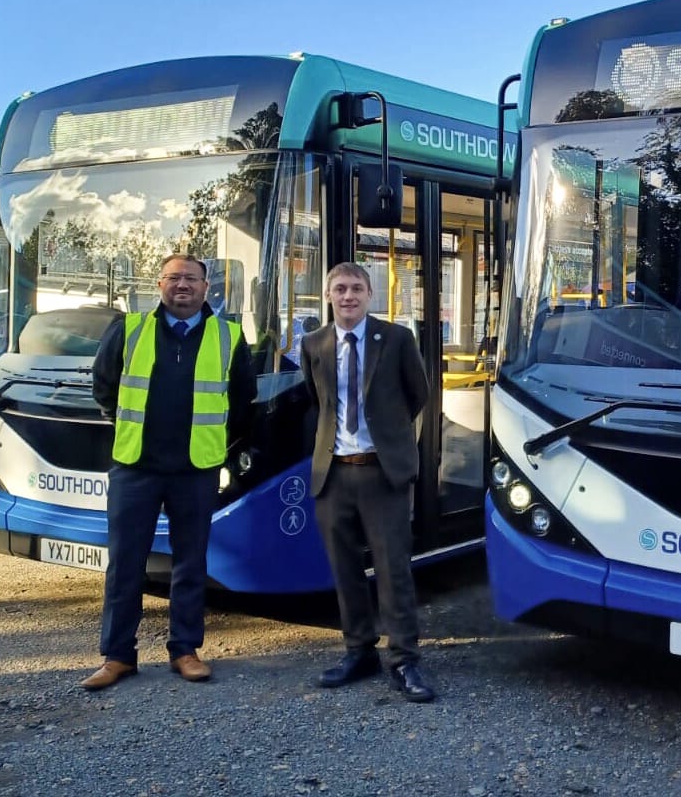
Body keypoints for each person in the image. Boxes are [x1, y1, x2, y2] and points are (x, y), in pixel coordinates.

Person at [82, 254, 257, 691]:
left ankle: (185, 650)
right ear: (159, 284)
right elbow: (103, 386)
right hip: (135, 467)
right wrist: (128, 426)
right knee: (125, 563)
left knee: (190, 563)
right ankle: (117, 657)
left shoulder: (229, 336)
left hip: (195, 470)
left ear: (206, 288)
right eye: (174, 278)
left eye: (191, 279)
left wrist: (215, 444)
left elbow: (242, 400)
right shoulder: (129, 328)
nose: (183, 285)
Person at [300, 262, 434, 702]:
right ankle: (359, 651)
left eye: (356, 288)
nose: (348, 296)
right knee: (345, 569)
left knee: (394, 570)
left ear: (370, 294)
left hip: (383, 472)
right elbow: (316, 400)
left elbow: (418, 394)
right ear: (328, 295)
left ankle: (404, 660)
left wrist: (389, 436)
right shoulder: (314, 344)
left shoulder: (396, 339)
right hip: (333, 474)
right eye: (340, 288)